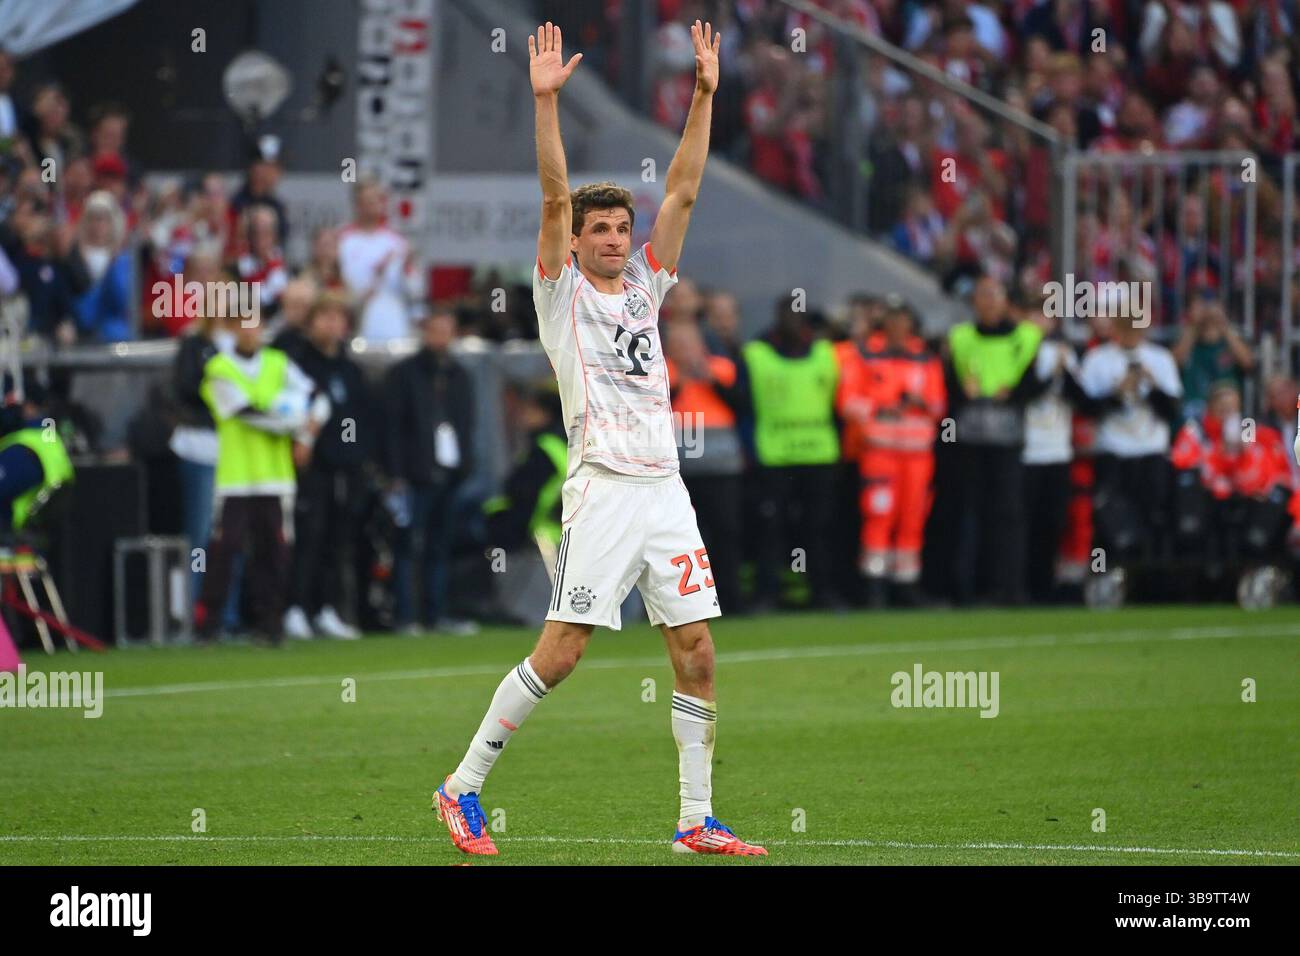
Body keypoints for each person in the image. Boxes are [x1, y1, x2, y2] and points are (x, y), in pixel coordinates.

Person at [433, 21, 766, 858]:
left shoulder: (650, 286)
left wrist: (703, 94)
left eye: (622, 227)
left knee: (696, 650)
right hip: (604, 487)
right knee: (564, 651)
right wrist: (545, 103)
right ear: (578, 242)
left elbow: (684, 192)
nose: (616, 238)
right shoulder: (560, 296)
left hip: (665, 492)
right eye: (602, 230)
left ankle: (695, 819)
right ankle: (461, 786)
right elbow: (552, 196)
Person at [193, 315, 327, 644]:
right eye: (242, 325)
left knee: (275, 551)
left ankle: (269, 624)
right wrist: (294, 421)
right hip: (236, 477)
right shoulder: (219, 368)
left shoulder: (278, 363)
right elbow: (244, 411)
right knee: (225, 548)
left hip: (276, 476)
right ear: (232, 329)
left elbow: (319, 399)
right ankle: (208, 625)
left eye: (254, 325)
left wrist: (307, 437)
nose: (249, 332)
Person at [837, 296, 945, 607]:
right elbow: (847, 402)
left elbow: (938, 405)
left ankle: (906, 583)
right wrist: (882, 409)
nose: (899, 325)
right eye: (893, 318)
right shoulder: (865, 355)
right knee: (878, 514)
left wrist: (919, 402)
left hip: (918, 455)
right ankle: (874, 585)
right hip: (880, 452)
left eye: (904, 318)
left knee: (912, 517)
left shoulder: (925, 358)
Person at [944, 276, 1042, 604]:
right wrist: (962, 392)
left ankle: (1011, 587)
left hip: (1008, 438)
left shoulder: (1027, 338)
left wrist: (1013, 394)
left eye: (994, 295)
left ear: (1005, 301)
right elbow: (948, 389)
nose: (988, 302)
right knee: (968, 512)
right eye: (982, 295)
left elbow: (1033, 385)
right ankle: (964, 588)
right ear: (974, 301)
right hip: (968, 439)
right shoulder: (960, 338)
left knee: (1009, 514)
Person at [381, 308, 476, 636]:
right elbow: (392, 428)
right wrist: (395, 473)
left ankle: (436, 614)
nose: (440, 337)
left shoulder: (460, 376)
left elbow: (466, 425)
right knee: (407, 545)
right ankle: (405, 616)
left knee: (440, 545)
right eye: (435, 329)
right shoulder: (403, 375)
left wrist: (464, 466)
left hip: (449, 474)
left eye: (446, 329)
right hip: (413, 474)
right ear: (424, 332)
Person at [282, 293, 370, 641]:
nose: (331, 325)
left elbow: (362, 418)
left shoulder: (350, 369)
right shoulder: (298, 364)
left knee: (338, 540)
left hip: (345, 468)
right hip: (311, 466)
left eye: (338, 318)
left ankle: (326, 609)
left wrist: (359, 458)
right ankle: (295, 607)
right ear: (311, 322)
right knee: (307, 536)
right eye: (324, 317)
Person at [1078, 313, 1183, 572]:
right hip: (1112, 449)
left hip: (1151, 449)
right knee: (1110, 518)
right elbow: (1087, 409)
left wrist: (1151, 384)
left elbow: (1171, 411)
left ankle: (1151, 577)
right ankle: (1110, 574)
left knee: (1153, 515)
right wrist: (1117, 392)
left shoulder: (1160, 358)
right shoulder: (1098, 359)